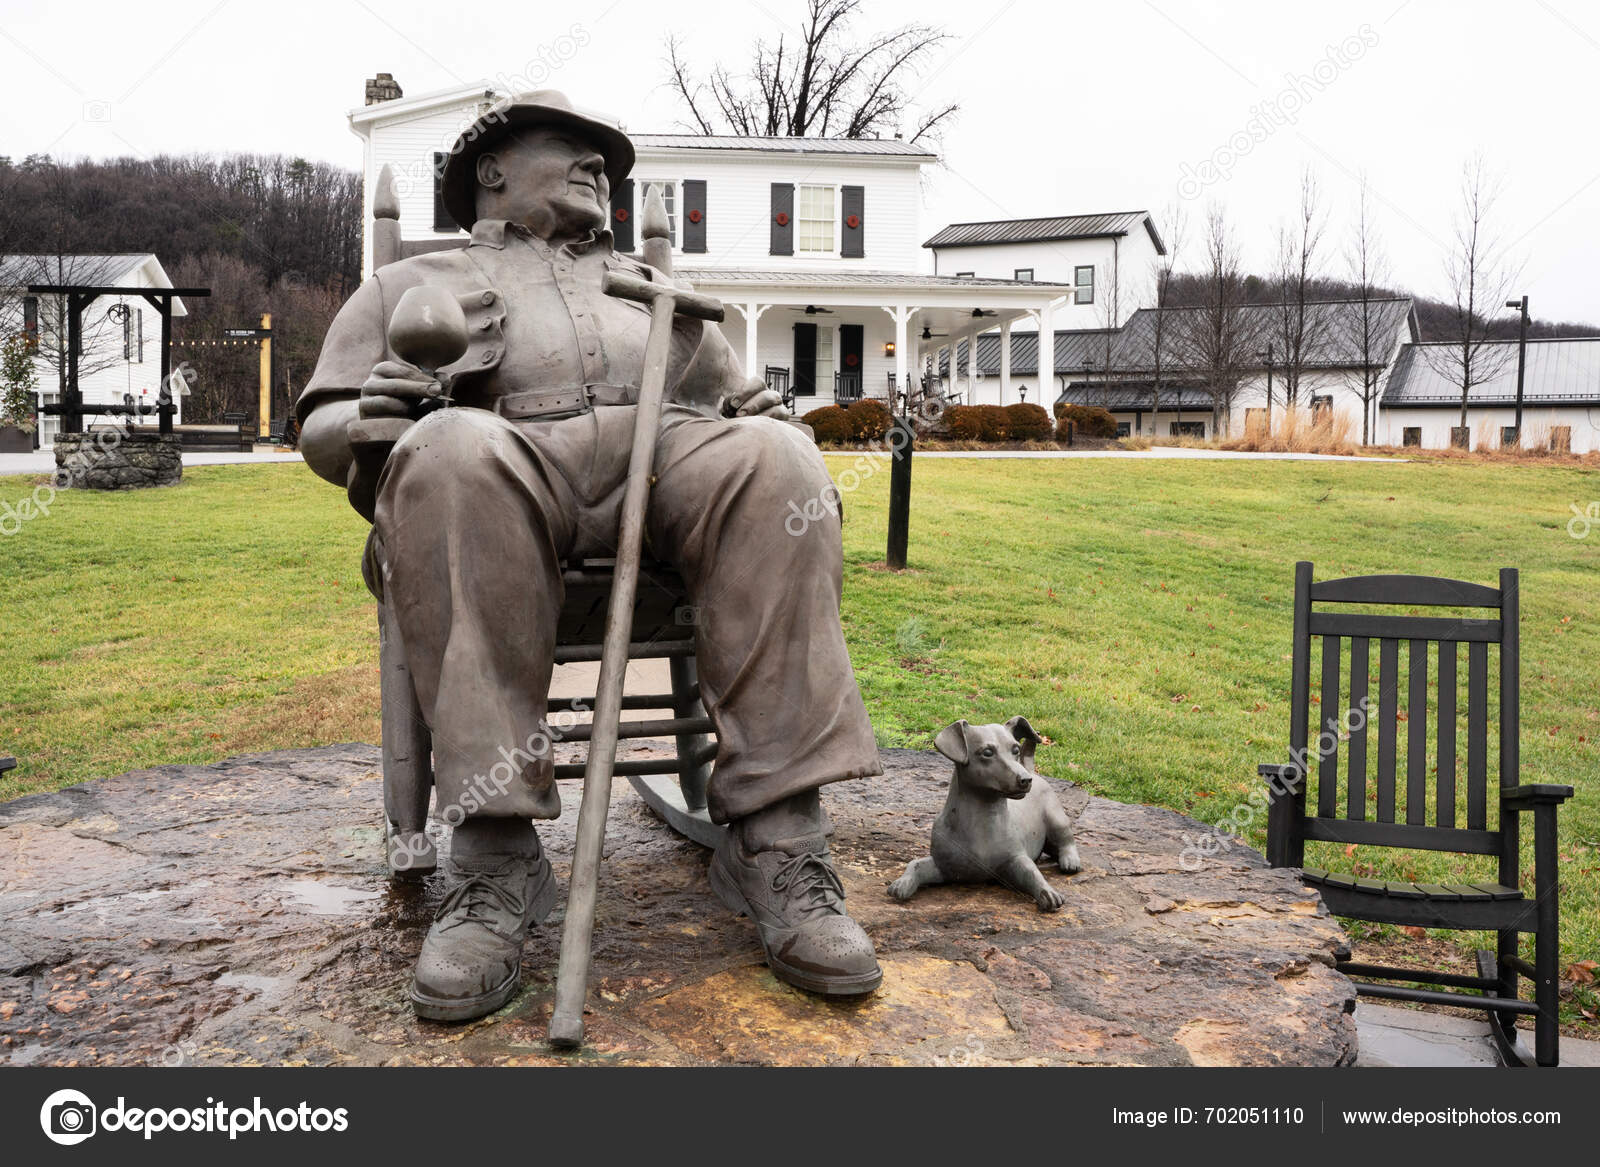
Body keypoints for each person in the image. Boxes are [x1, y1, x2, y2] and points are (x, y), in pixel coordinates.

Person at [297, 91, 883, 1021]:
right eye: (569, 148)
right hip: (511, 472)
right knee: (450, 452)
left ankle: (779, 839)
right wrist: (371, 413)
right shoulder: (416, 284)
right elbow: (324, 428)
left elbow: (737, 400)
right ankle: (494, 862)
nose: (597, 166)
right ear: (491, 169)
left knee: (780, 462)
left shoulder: (648, 289)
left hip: (668, 461)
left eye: (604, 157)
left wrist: (759, 417)